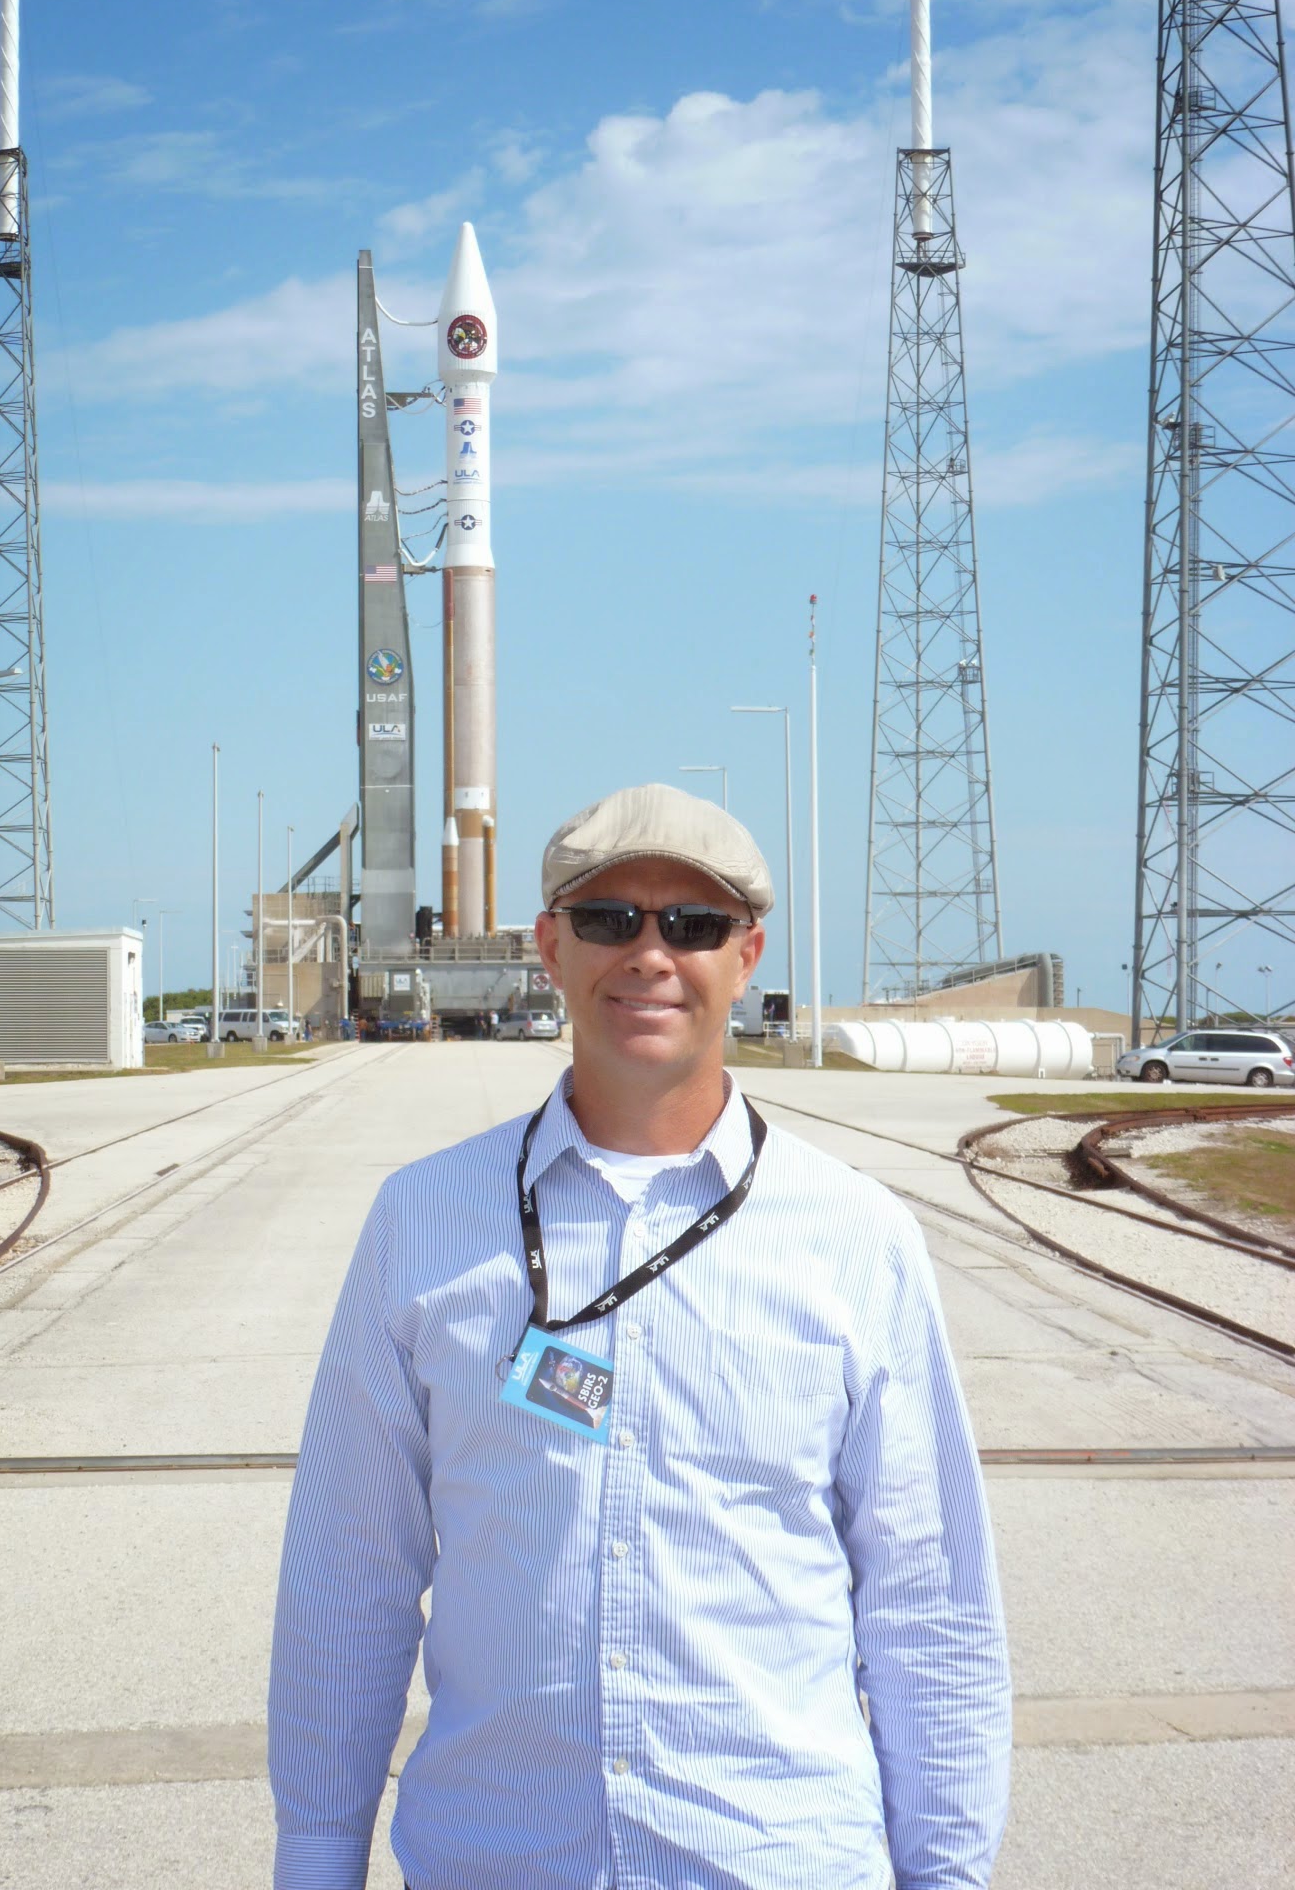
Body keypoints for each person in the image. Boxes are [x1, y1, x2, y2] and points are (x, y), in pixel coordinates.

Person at [269, 783, 1010, 1890]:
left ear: (747, 952)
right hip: (497, 1860)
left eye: (694, 923)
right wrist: (318, 1858)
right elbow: (350, 1579)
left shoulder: (860, 1239)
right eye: (611, 917)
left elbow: (930, 1603)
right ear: (550, 947)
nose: (651, 953)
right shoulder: (422, 1223)